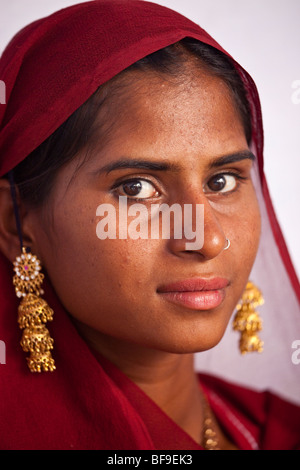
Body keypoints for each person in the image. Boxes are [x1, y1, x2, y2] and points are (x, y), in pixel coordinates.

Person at [0, 0, 299, 451]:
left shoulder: (277, 432)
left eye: (222, 180)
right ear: (15, 222)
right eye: (137, 189)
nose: (208, 238)